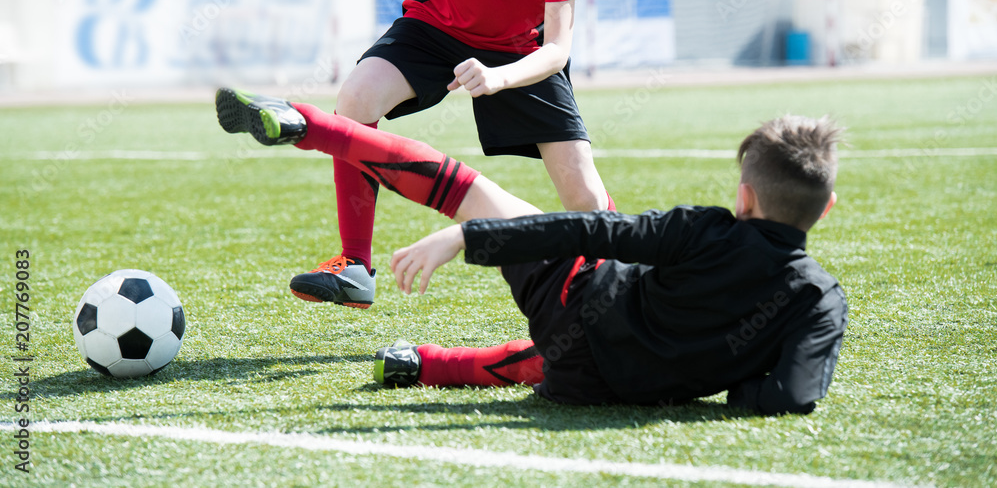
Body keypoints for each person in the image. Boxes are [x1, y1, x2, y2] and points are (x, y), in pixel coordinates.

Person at [215, 89, 848, 415]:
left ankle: (308, 122)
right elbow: (792, 397)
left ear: (743, 196)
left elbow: (588, 231)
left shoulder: (708, 228)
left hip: (571, 303)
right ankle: (423, 365)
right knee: (572, 356)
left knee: (468, 189)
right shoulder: (819, 297)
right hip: (585, 386)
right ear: (825, 208)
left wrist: (467, 236)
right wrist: (727, 378)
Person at [278, 0, 613, 309]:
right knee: (355, 99)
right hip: (435, 27)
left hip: (520, 52)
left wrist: (498, 77)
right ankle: (354, 266)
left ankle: (620, 284)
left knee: (583, 191)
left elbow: (556, 51)